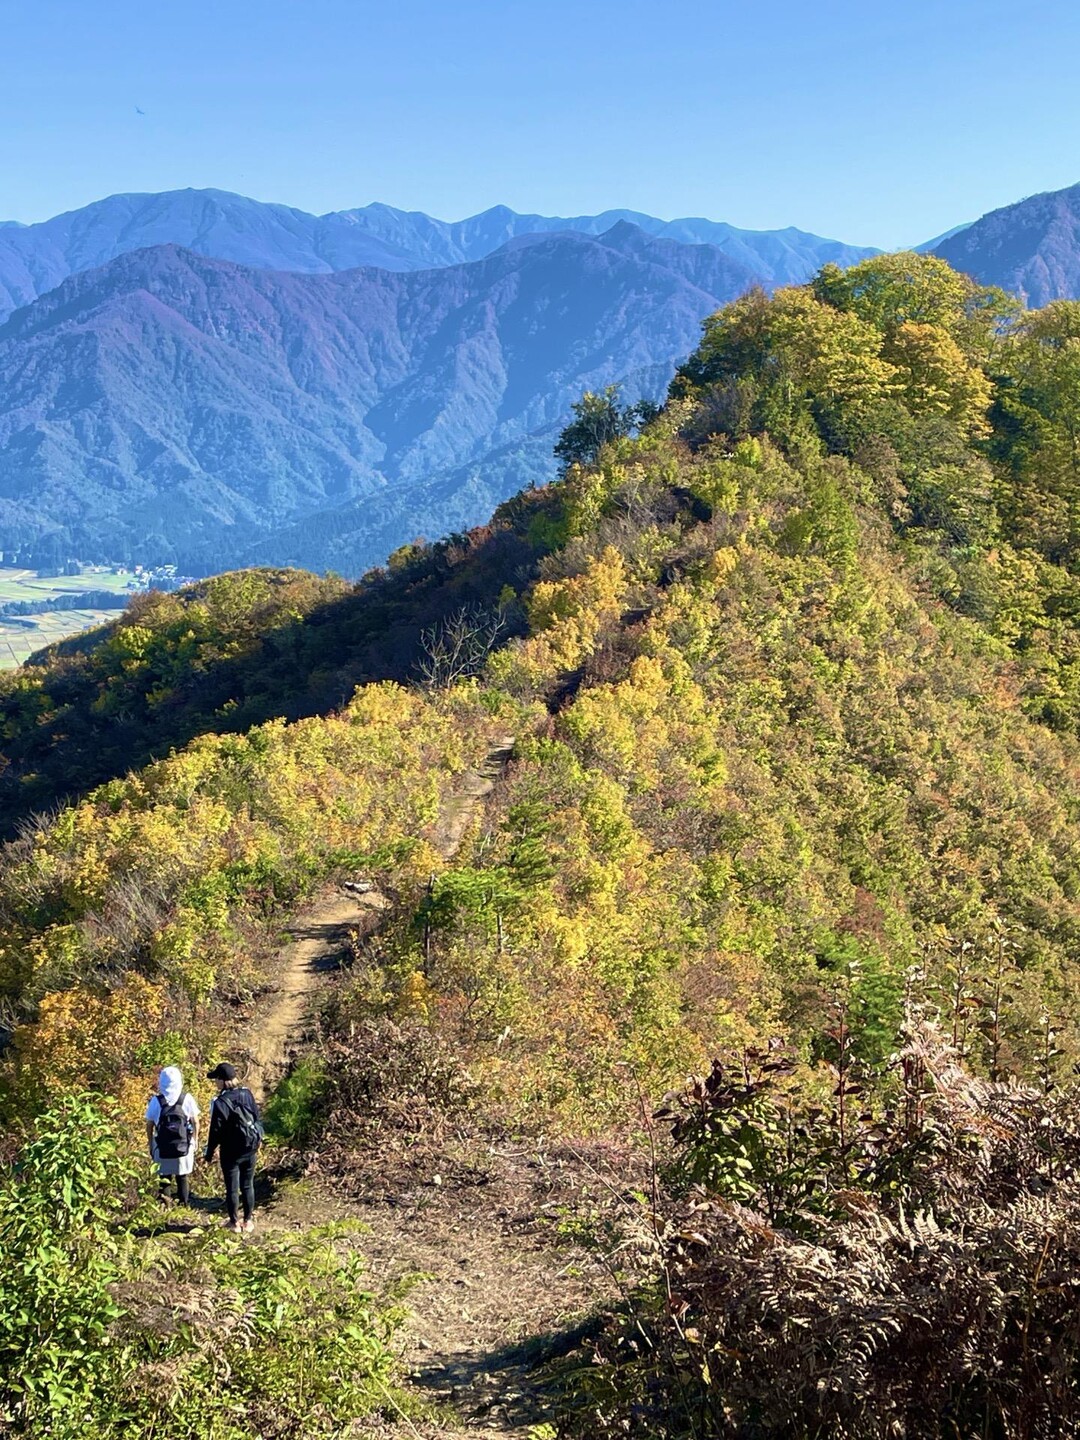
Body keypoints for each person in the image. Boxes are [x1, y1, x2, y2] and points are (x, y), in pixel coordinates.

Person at [205, 1062, 263, 1233]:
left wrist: (209, 1152)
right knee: (247, 1184)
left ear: (223, 1081)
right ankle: (249, 1221)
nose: (215, 1082)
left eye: (216, 1079)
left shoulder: (220, 1102)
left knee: (232, 1187)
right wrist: (258, 1138)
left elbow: (215, 1131)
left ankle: (234, 1223)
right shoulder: (247, 1094)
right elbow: (256, 1117)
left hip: (230, 1151)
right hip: (250, 1147)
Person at [145, 1065, 200, 1206]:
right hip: (183, 1146)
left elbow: (150, 1124)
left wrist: (151, 1144)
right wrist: (195, 1140)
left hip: (162, 1145)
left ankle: (165, 1205)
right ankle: (184, 1204)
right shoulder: (186, 1099)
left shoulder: (156, 1101)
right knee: (182, 1176)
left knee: (164, 1176)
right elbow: (195, 1122)